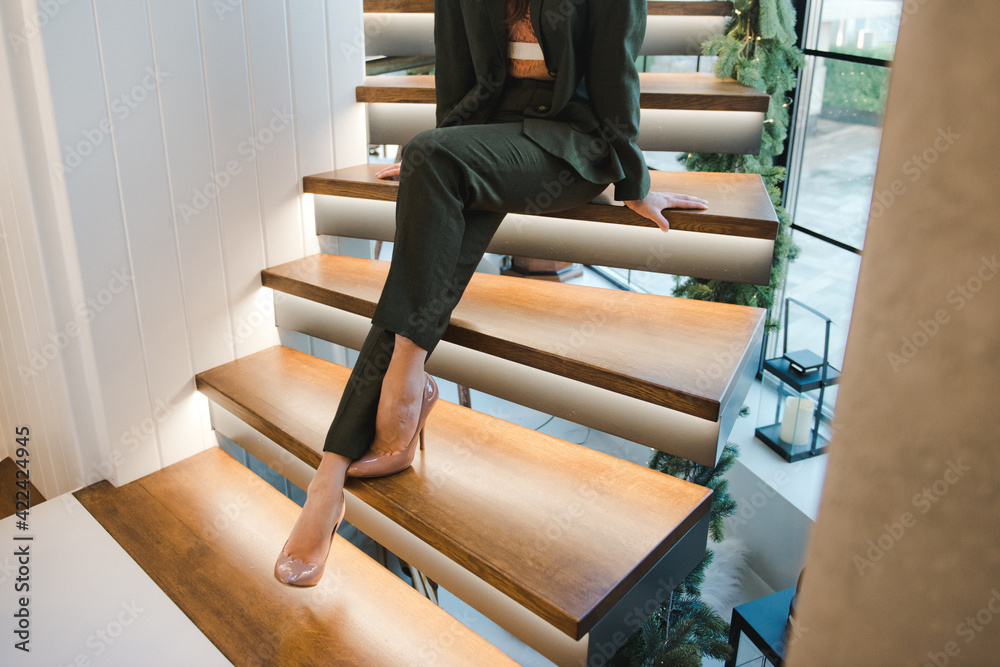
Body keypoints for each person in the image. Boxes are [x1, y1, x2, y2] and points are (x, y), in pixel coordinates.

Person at [273, 0, 708, 586]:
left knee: (429, 167)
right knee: (426, 248)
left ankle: (389, 397)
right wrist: (442, 154)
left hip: (569, 142)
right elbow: (457, 72)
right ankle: (330, 475)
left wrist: (634, 180)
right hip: (486, 137)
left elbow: (616, 68)